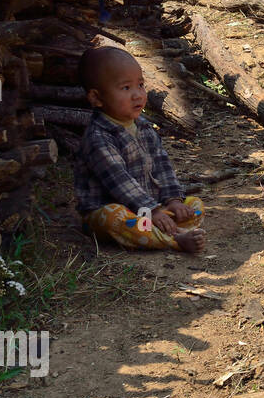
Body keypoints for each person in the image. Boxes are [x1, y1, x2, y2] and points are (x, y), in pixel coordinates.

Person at [73, 46, 206, 252]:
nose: (138, 95)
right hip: (118, 212)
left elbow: (162, 164)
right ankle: (174, 240)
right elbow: (120, 182)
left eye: (141, 85)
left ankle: (163, 227)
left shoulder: (142, 125)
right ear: (97, 98)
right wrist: (152, 210)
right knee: (114, 216)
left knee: (194, 206)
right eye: (126, 88)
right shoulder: (98, 138)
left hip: (152, 208)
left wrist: (172, 200)